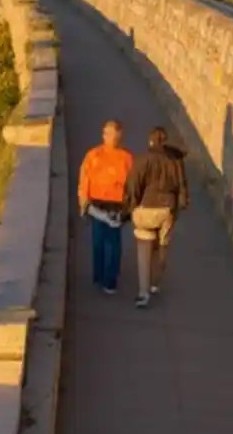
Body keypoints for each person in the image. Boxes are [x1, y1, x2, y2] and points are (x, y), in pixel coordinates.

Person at [126, 126, 189, 308]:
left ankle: (143, 292)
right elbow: (182, 187)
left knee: (144, 248)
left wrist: (131, 207)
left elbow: (133, 185)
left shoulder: (143, 160)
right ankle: (155, 282)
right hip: (167, 209)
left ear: (150, 141)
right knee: (162, 246)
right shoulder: (175, 162)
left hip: (147, 207)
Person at [77, 120, 133, 294]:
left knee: (112, 242)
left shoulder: (126, 157)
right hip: (97, 203)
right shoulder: (93, 155)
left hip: (116, 204)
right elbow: (84, 178)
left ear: (119, 135)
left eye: (111, 133)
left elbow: (131, 183)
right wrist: (83, 201)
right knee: (99, 241)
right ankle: (100, 275)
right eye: (105, 133)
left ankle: (109, 280)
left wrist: (129, 206)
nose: (107, 137)